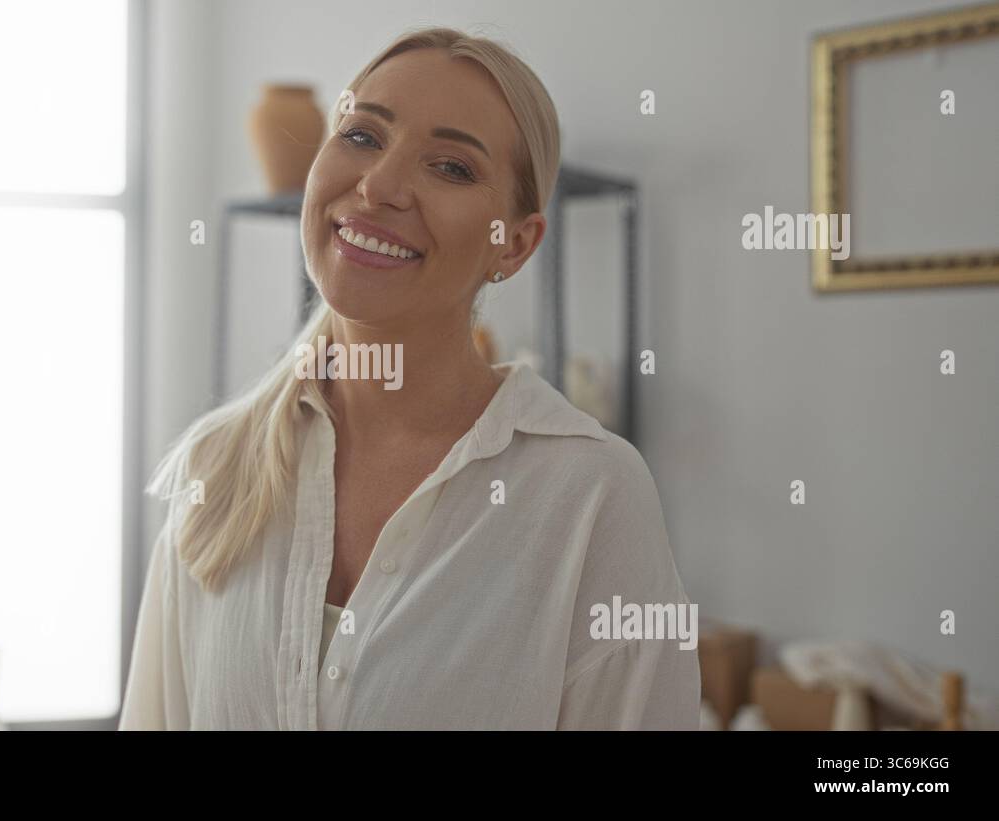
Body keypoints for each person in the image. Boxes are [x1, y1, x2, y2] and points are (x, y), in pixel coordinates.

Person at [120, 26, 700, 730]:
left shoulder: (590, 496)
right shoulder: (215, 467)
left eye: (451, 168)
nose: (380, 185)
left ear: (514, 245)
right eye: (362, 135)